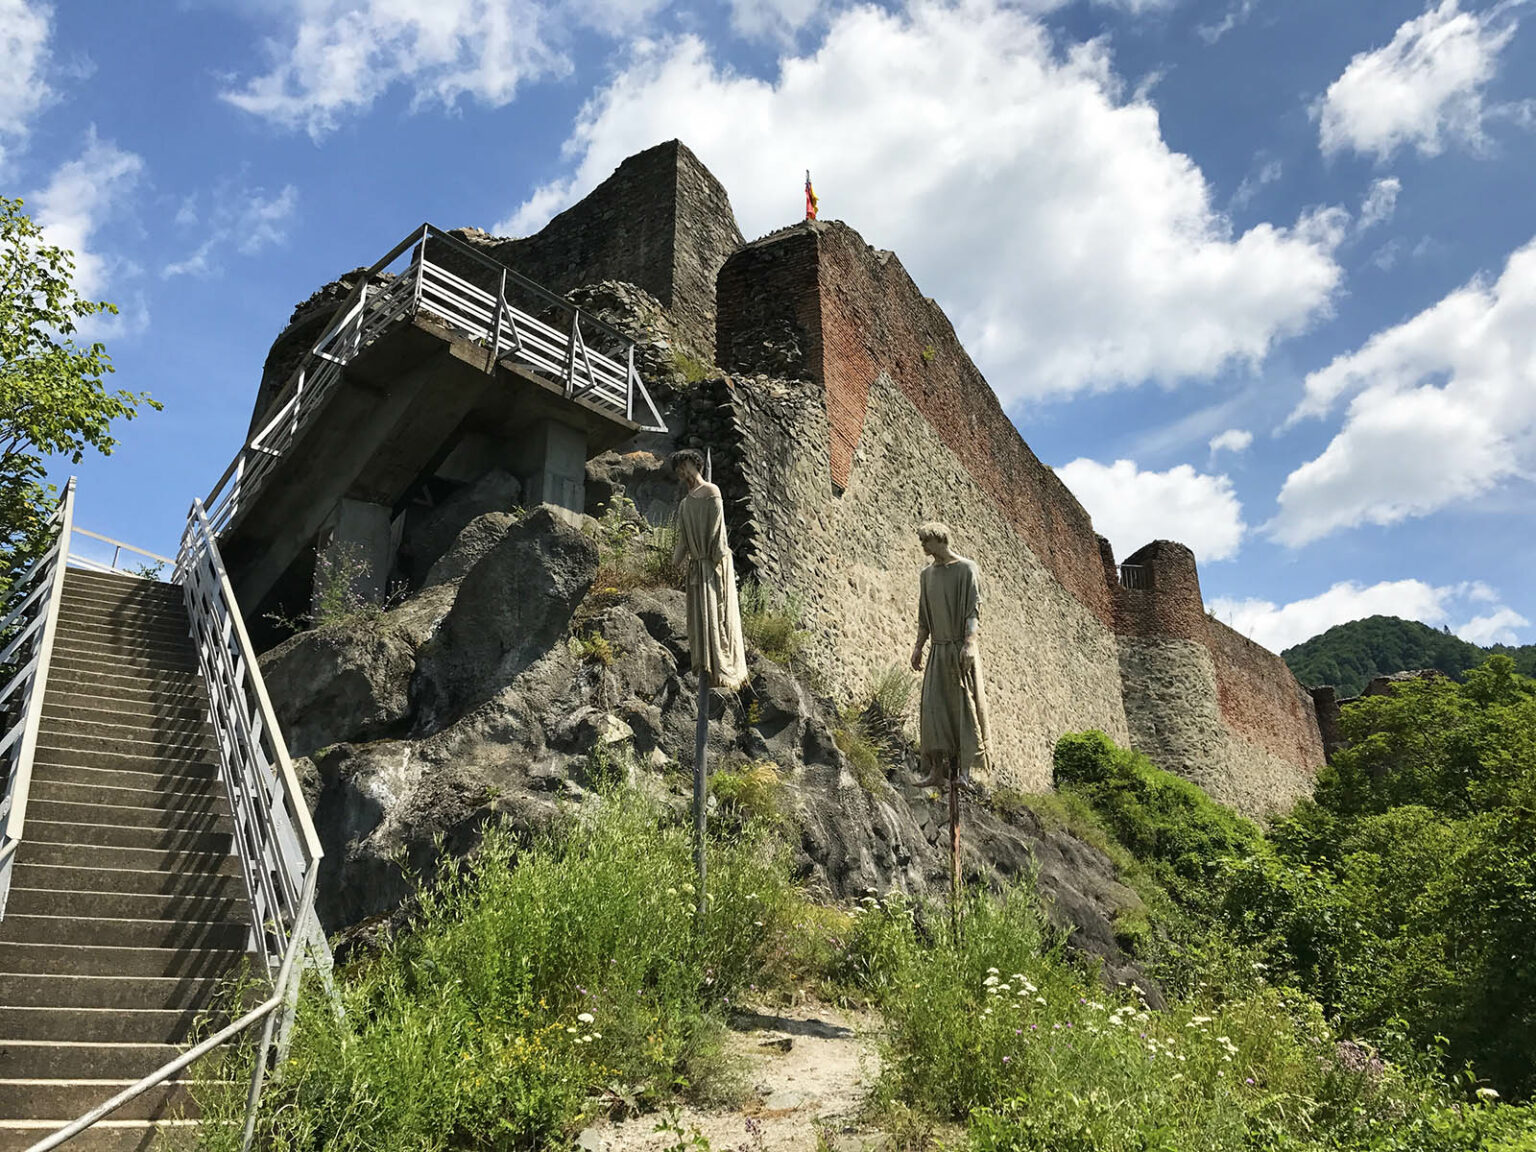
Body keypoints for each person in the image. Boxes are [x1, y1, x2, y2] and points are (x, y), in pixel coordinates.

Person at [909, 521, 991, 787]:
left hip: (960, 649)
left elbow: (972, 612)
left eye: (925, 541)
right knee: (933, 708)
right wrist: (919, 646)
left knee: (962, 707)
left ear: (939, 539)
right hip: (939, 649)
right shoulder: (926, 575)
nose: (923, 546)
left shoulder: (967, 569)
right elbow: (924, 617)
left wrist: (969, 644)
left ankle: (964, 773)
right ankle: (936, 770)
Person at [670, 449, 749, 691]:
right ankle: (708, 663)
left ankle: (722, 668)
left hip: (714, 567)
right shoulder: (684, 505)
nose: (684, 472)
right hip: (699, 569)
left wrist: (717, 563)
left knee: (719, 617)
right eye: (679, 469)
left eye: (686, 466)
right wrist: (673, 566)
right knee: (701, 622)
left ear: (696, 465)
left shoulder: (712, 492)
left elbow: (718, 536)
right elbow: (683, 541)